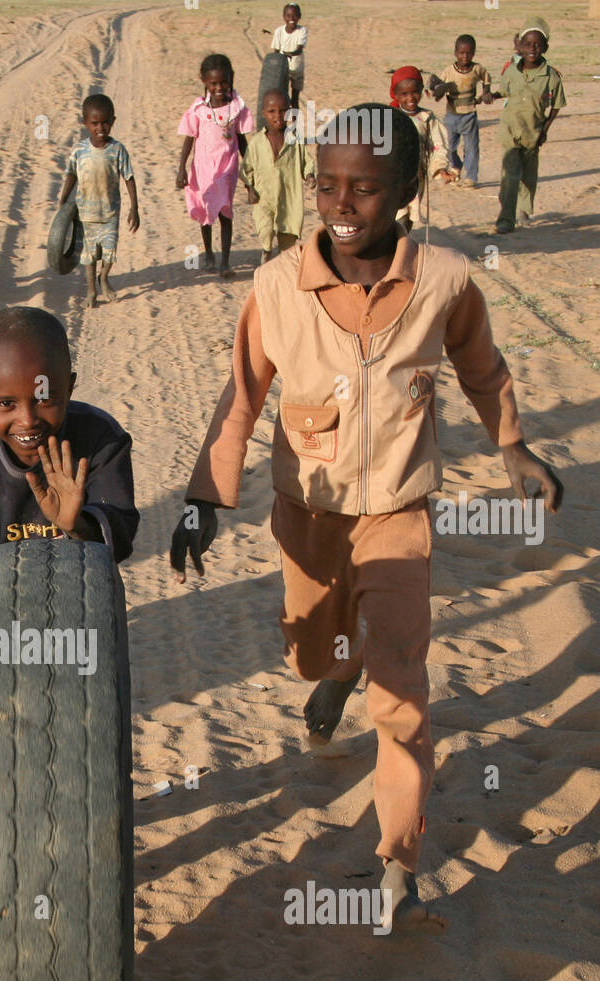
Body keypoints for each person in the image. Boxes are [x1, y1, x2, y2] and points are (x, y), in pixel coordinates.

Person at [169, 103, 563, 930]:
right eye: (326, 186)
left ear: (407, 191)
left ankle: (396, 862)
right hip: (307, 515)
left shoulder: (445, 283)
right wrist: (206, 498)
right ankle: (336, 670)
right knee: (314, 652)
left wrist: (515, 447)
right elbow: (241, 392)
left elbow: (483, 371)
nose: (341, 206)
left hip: (398, 515)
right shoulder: (277, 285)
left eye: (364, 189)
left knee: (404, 699)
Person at [0, 308, 139, 867]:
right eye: (6, 404)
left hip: (85, 622)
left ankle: (91, 862)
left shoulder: (100, 439)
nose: (28, 418)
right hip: (0, 629)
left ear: (70, 385)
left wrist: (78, 524)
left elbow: (120, 532)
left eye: (45, 398)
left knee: (93, 746)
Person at [57, 94, 140, 307]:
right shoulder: (79, 150)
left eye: (105, 122)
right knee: (89, 255)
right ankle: (91, 290)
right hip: (86, 213)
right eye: (94, 123)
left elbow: (129, 177)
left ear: (113, 121)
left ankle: (104, 278)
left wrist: (134, 207)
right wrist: (63, 200)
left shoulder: (118, 150)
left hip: (110, 212)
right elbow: (71, 174)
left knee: (110, 253)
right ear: (85, 123)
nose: (100, 127)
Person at [177, 54, 254, 278]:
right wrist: (181, 168)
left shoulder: (236, 108)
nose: (219, 87)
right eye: (214, 83)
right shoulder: (198, 109)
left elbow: (242, 141)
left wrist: (249, 172)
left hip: (227, 169)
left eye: (223, 82)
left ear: (231, 79)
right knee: (206, 212)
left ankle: (225, 262)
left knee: (225, 213)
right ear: (204, 81)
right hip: (202, 170)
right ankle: (209, 253)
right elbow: (189, 139)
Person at [495, 17, 565, 235]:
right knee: (511, 175)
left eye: (537, 44)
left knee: (528, 177)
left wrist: (545, 129)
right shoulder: (511, 71)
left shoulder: (551, 76)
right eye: (527, 44)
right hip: (509, 131)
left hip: (533, 134)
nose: (532, 48)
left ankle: (524, 209)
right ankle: (506, 218)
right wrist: (491, 95)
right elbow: (504, 91)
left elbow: (556, 105)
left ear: (545, 47)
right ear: (519, 46)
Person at [242, 88, 315, 260]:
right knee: (265, 232)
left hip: (288, 198)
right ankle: (265, 260)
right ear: (263, 113)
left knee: (288, 240)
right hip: (264, 198)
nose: (278, 116)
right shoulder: (257, 142)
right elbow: (246, 169)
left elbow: (306, 162)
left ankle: (285, 275)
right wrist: (249, 188)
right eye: (272, 111)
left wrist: (310, 176)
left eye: (283, 110)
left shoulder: (294, 140)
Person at [389, 66, 453, 231]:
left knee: (410, 215)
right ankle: (396, 250)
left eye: (415, 92)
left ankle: (401, 246)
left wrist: (440, 168)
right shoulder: (389, 118)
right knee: (397, 214)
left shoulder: (427, 119)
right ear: (396, 95)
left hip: (417, 176)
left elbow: (437, 146)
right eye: (404, 94)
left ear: (422, 91)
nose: (410, 98)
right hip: (393, 176)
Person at [428, 34, 493, 188]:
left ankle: (471, 177)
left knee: (471, 147)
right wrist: (437, 89)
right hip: (451, 115)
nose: (465, 56)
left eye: (469, 53)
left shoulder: (477, 69)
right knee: (449, 146)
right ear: (455, 53)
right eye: (461, 53)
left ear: (474, 53)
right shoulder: (449, 71)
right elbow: (438, 87)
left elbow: (486, 78)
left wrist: (486, 92)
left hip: (469, 114)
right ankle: (456, 166)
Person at [269, 4, 308, 107]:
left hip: (297, 70)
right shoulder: (279, 31)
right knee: (283, 98)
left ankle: (295, 123)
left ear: (299, 16)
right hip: (283, 69)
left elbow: (299, 49)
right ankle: (284, 122)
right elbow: (276, 52)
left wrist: (289, 54)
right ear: (284, 17)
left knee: (295, 100)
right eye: (288, 16)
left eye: (295, 15)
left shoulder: (302, 31)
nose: (291, 19)